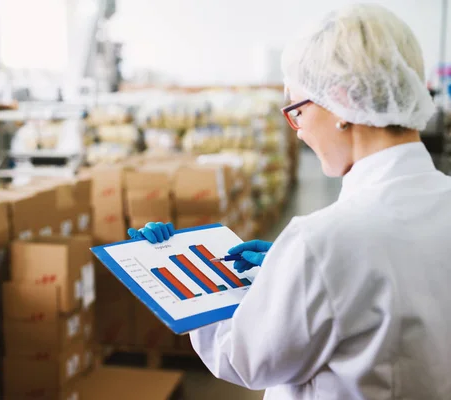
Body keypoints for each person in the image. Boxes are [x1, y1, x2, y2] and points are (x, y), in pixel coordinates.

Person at [127, 4, 451, 399]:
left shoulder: (323, 241)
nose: (297, 133)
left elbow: (244, 358)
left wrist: (182, 287)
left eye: (297, 110)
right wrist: (285, 277)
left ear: (342, 102)